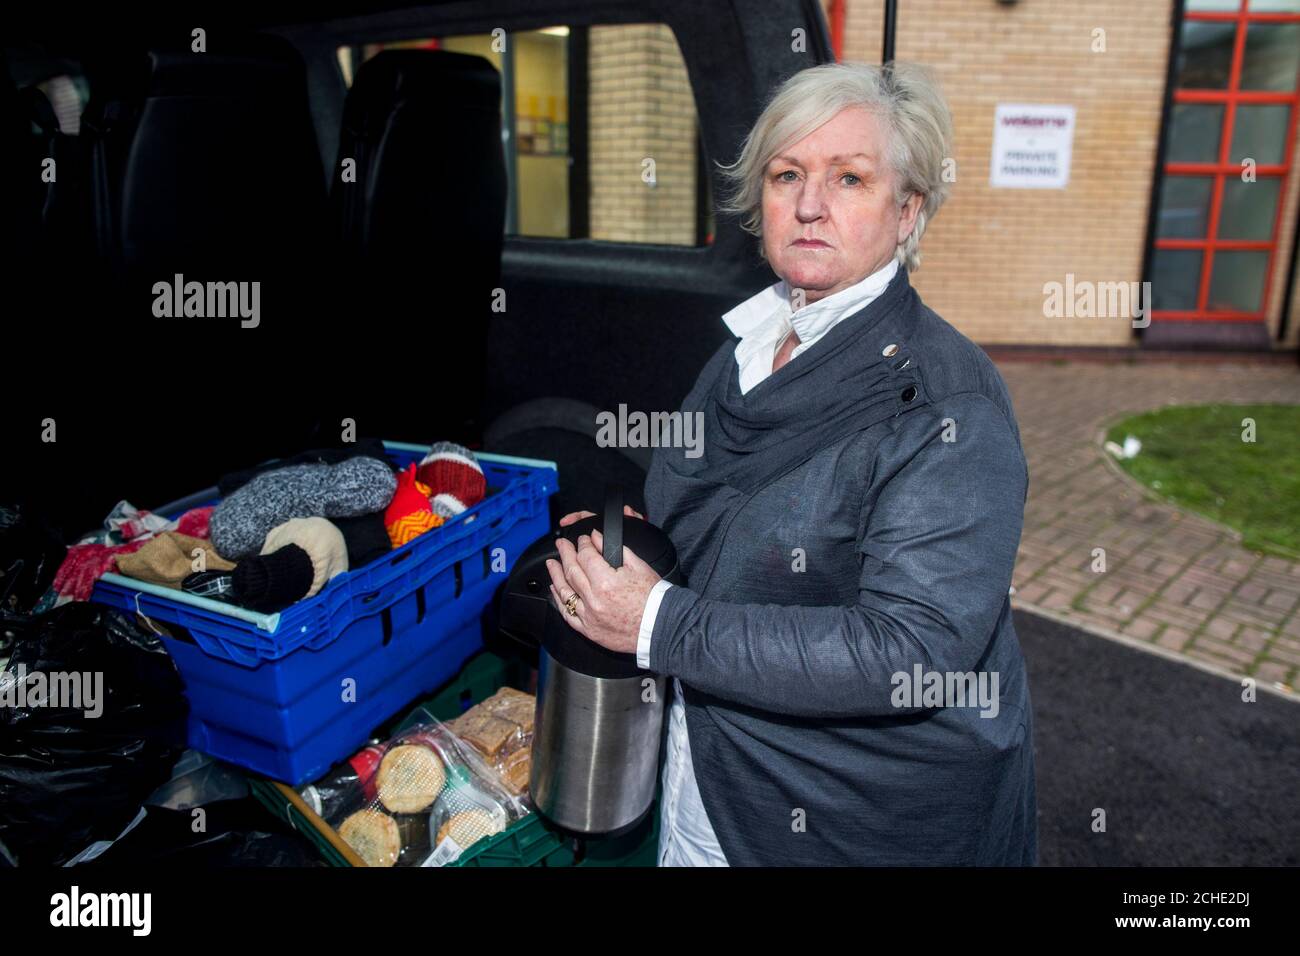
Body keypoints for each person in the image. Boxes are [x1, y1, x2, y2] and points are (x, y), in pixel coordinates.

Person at [544, 61, 1036, 866]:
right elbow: (722, 506)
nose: (810, 205)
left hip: (840, 816)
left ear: (907, 211)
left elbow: (907, 650)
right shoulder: (748, 344)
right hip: (708, 750)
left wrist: (658, 622)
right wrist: (641, 544)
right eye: (788, 175)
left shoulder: (950, 405)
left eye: (849, 178)